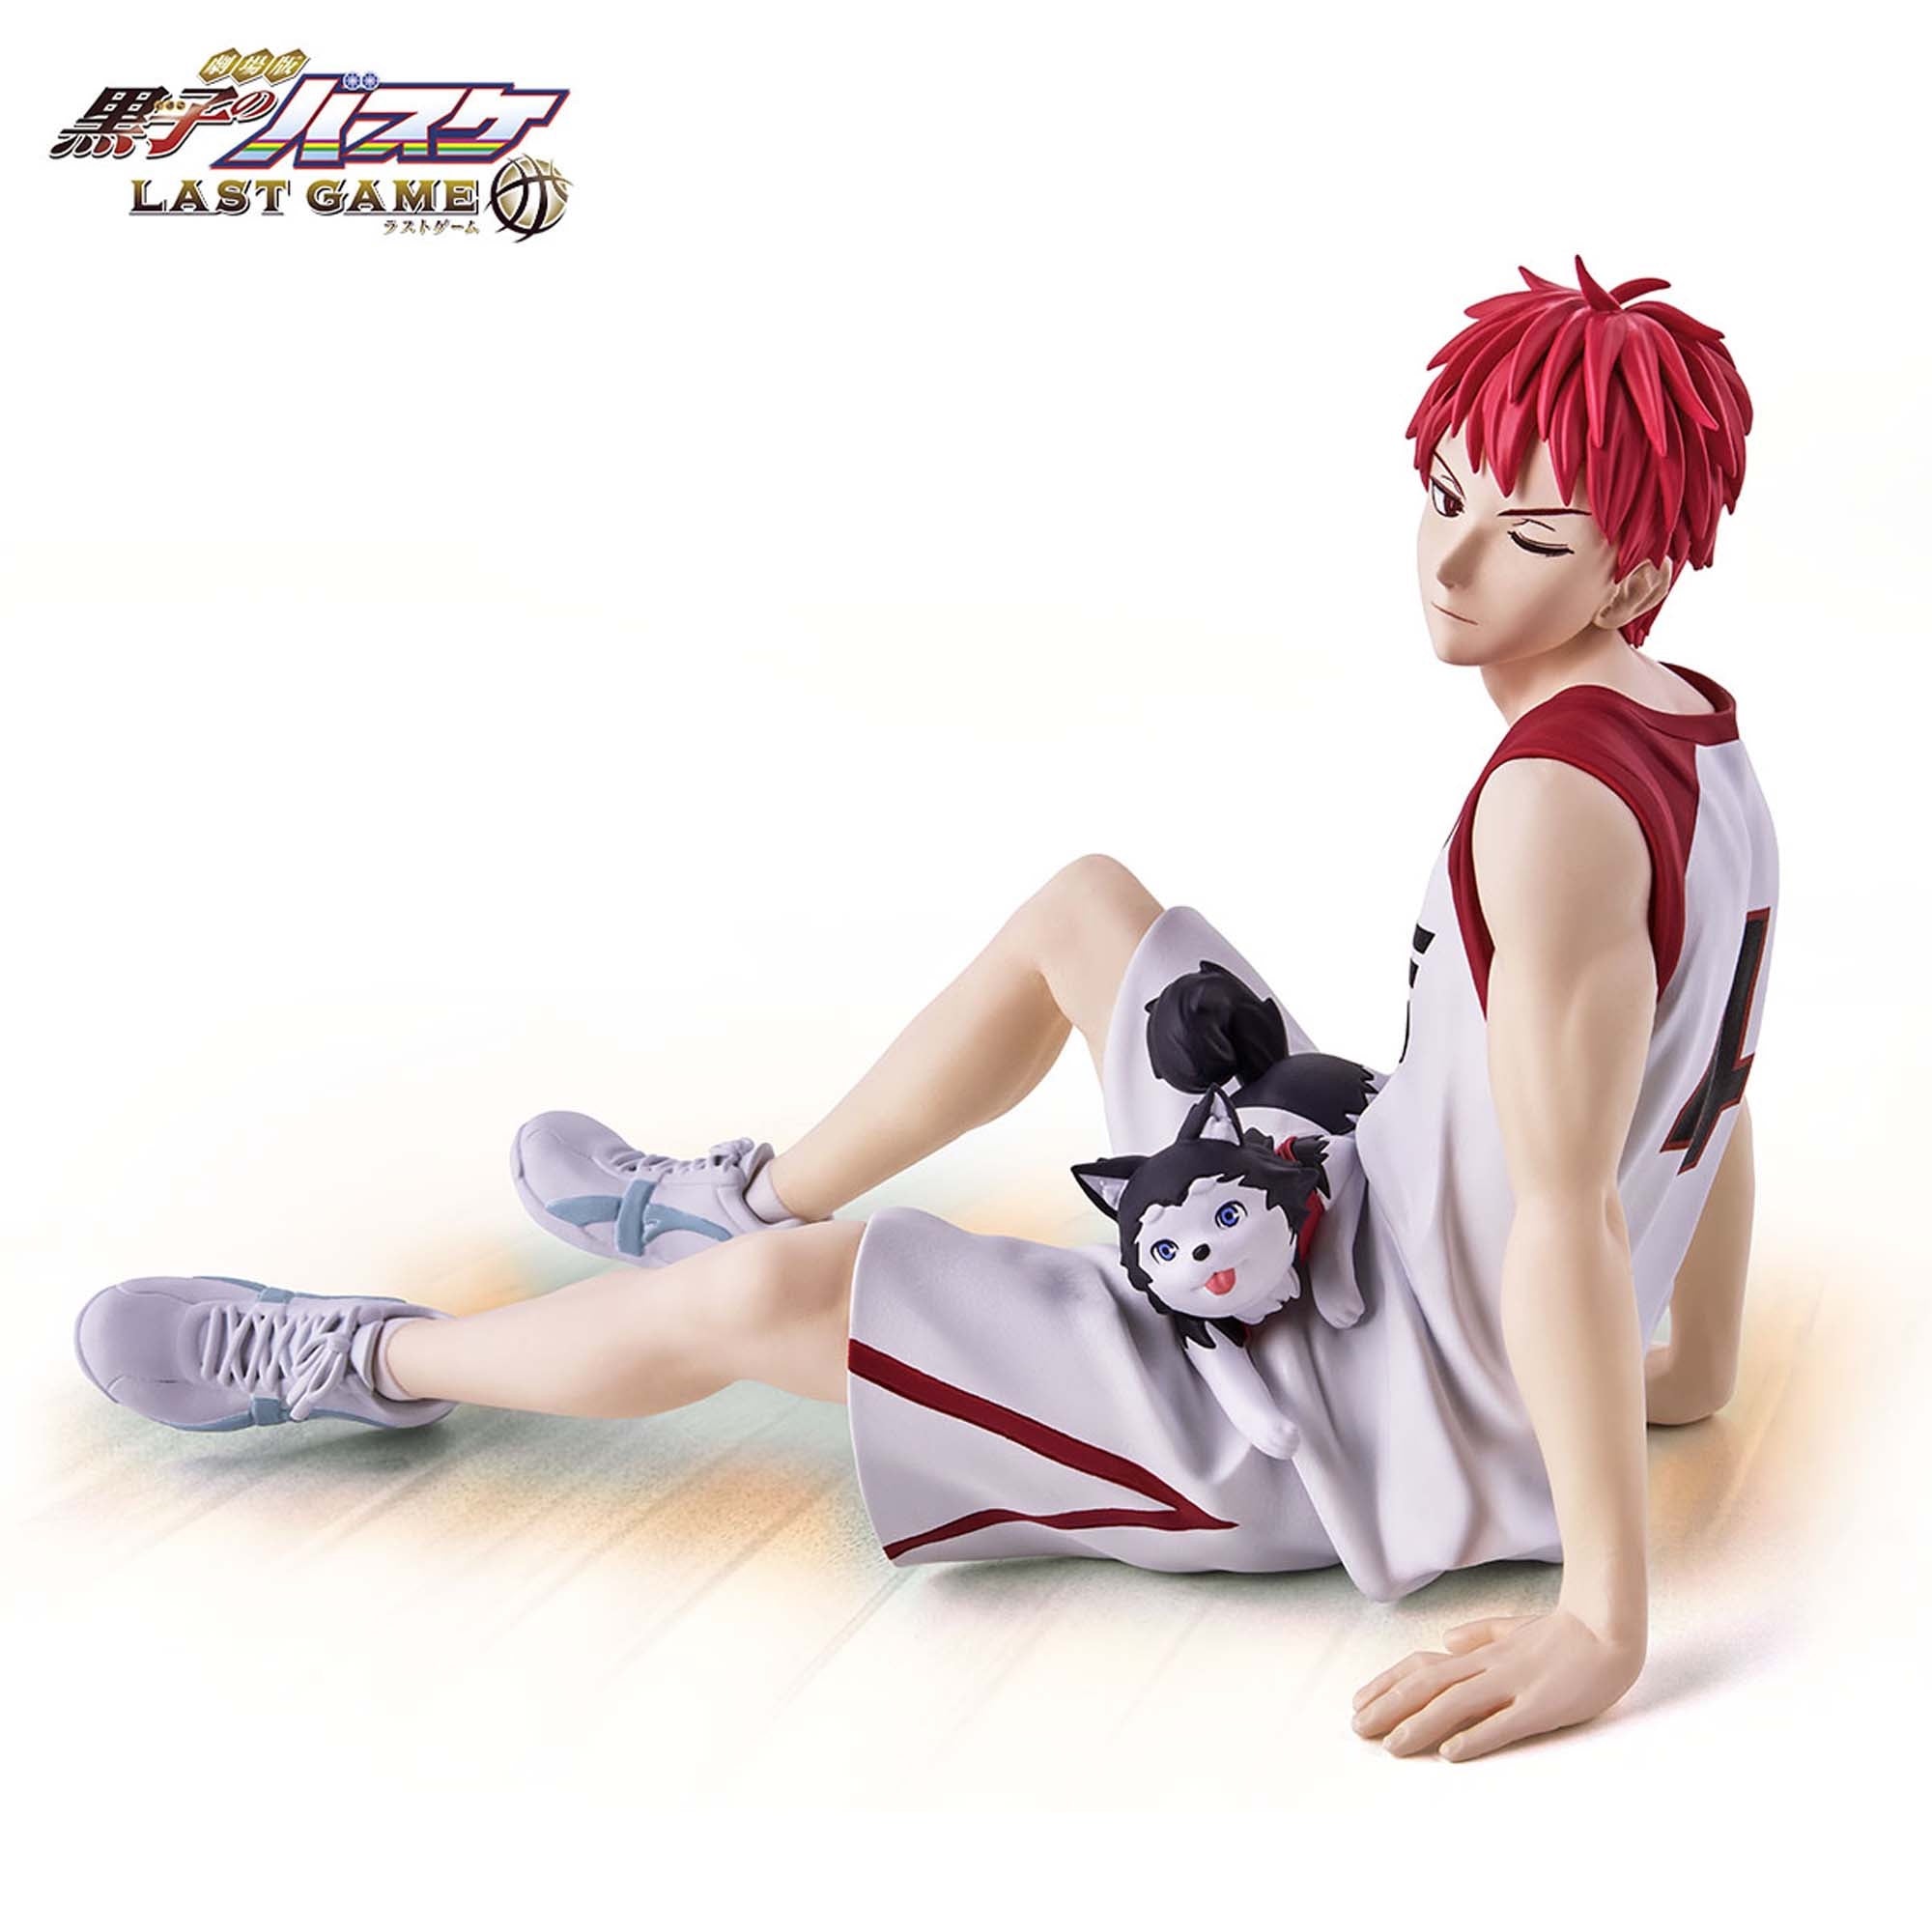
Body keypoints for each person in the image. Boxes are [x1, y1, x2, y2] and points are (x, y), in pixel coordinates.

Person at [71, 255, 1776, 1762]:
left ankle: (362, 1359)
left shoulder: (1547, 809)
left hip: (1345, 1418)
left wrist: (1602, 1618)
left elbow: (1569, 1210)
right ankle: (742, 1196)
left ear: (1634, 575)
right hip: (1347, 1210)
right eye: (1446, 491)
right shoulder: (1695, 733)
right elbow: (1718, 1086)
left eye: (1531, 534)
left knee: (775, 1308)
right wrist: (1689, 1368)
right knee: (1086, 911)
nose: (1455, 559)